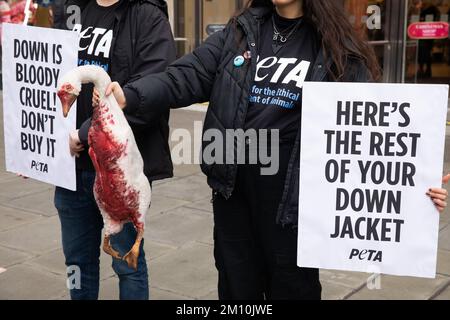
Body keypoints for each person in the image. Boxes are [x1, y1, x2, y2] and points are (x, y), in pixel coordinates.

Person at [102, 0, 449, 300]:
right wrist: (130, 95)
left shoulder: (334, 44)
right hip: (233, 191)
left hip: (294, 201)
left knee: (293, 287)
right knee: (238, 287)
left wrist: (415, 186)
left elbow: (370, 131)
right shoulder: (240, 31)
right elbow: (184, 76)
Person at [54, 0, 176, 300]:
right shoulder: (73, 8)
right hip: (73, 169)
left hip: (118, 173)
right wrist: (31, 150)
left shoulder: (147, 16)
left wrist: (84, 133)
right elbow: (49, 74)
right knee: (76, 262)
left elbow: (150, 89)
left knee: (127, 263)